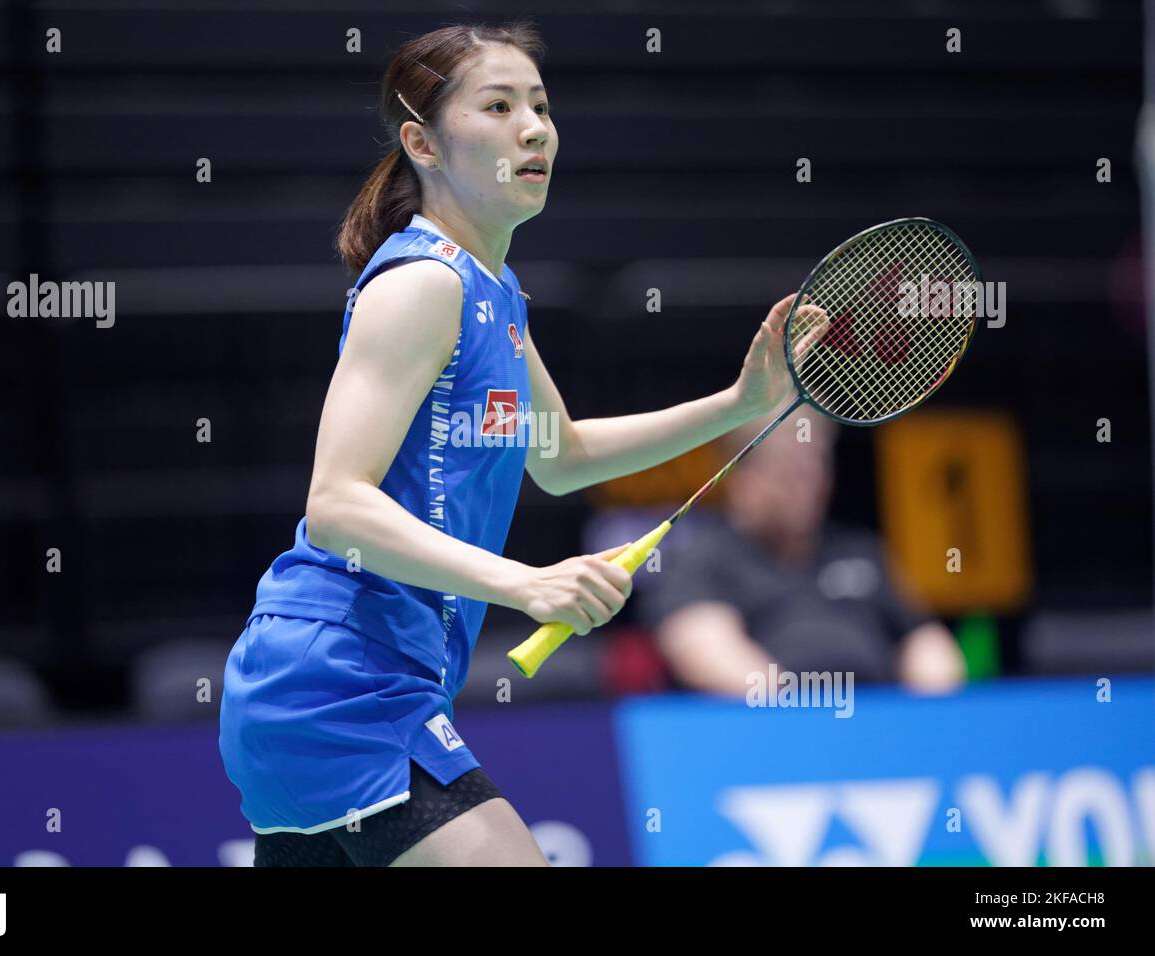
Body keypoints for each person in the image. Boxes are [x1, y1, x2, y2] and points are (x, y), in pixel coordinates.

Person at [218, 20, 806, 867]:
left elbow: (561, 455)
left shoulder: (495, 293)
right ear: (421, 142)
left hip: (359, 683)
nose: (533, 128)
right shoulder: (423, 285)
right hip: (340, 680)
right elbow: (338, 503)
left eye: (539, 105)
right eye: (497, 106)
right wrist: (527, 583)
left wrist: (738, 403)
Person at [636, 413, 967, 697]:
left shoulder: (862, 552)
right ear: (743, 480)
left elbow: (925, 640)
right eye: (790, 471)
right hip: (773, 732)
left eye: (817, 466)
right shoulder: (705, 559)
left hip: (882, 722)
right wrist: (805, 715)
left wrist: (928, 711)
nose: (810, 484)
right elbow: (703, 649)